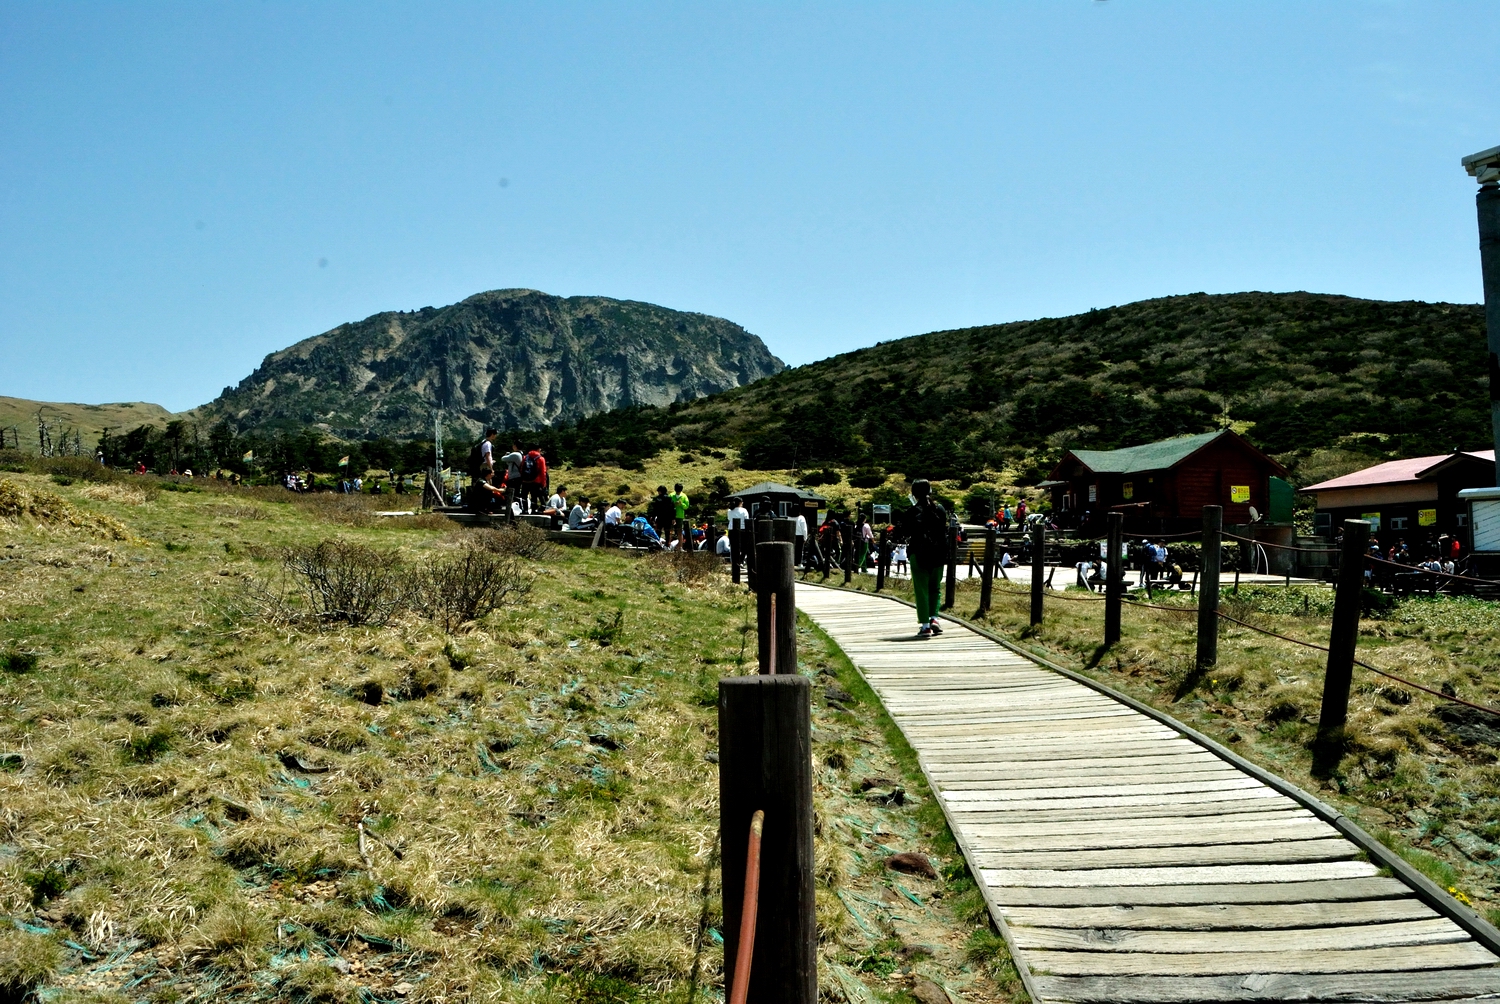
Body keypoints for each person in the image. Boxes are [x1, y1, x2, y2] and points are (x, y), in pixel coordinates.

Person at [895, 480, 950, 638]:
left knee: (921, 590)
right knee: (935, 588)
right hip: (938, 553)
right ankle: (935, 618)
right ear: (930, 490)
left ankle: (925, 626)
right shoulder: (939, 509)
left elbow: (905, 532)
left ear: (913, 493)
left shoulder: (912, 511)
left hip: (918, 553)